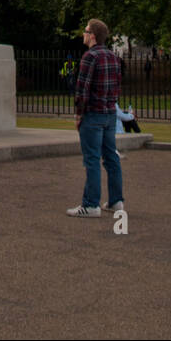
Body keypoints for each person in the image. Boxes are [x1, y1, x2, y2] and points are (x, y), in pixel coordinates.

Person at [67, 19, 125, 217]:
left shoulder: (89, 57)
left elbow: (82, 90)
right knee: (111, 158)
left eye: (85, 31)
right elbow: (117, 87)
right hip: (109, 113)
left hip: (93, 114)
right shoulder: (112, 57)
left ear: (92, 35)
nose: (83, 34)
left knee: (91, 159)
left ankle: (91, 204)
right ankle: (116, 201)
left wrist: (78, 115)